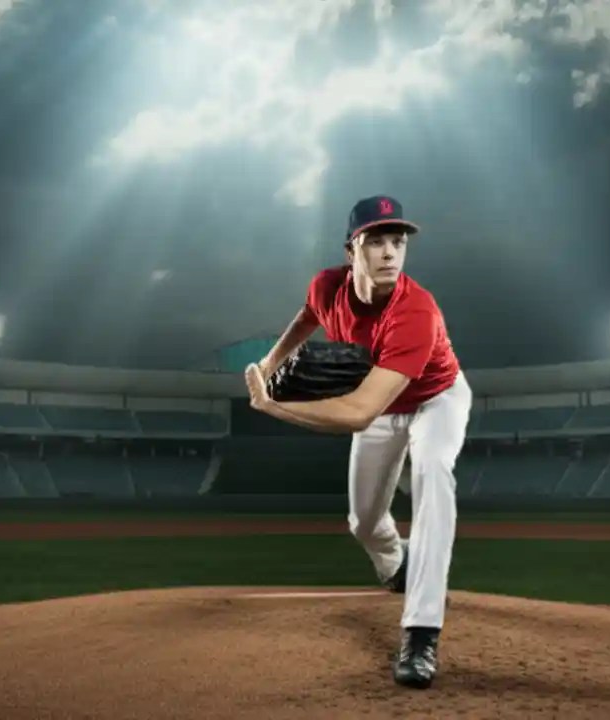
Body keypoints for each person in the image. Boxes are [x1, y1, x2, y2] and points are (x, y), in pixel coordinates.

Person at [243, 195, 471, 690]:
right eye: (376, 241)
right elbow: (306, 317)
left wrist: (272, 404)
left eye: (398, 241)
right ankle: (398, 563)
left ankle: (421, 630)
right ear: (352, 251)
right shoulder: (327, 287)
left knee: (433, 472)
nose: (390, 252)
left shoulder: (416, 311)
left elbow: (358, 411)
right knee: (364, 521)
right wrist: (269, 363)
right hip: (383, 401)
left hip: (436, 399)